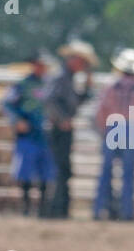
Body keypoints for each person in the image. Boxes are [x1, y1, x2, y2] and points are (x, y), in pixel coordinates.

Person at [93, 48, 134, 221]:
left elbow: (100, 110)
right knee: (128, 173)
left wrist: (104, 130)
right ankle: (127, 212)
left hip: (112, 127)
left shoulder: (110, 85)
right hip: (132, 129)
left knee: (106, 171)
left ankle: (99, 210)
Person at [42, 40, 99, 219]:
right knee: (60, 168)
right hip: (58, 129)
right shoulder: (61, 77)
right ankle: (55, 210)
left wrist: (88, 88)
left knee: (63, 168)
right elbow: (49, 100)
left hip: (62, 128)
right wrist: (62, 119)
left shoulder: (68, 78)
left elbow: (74, 102)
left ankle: (60, 209)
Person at [2, 55, 55, 216]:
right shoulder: (22, 85)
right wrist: (17, 120)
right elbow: (7, 103)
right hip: (28, 134)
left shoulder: (50, 85)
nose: (41, 68)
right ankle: (25, 207)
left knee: (46, 172)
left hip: (46, 135)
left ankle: (43, 209)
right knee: (26, 172)